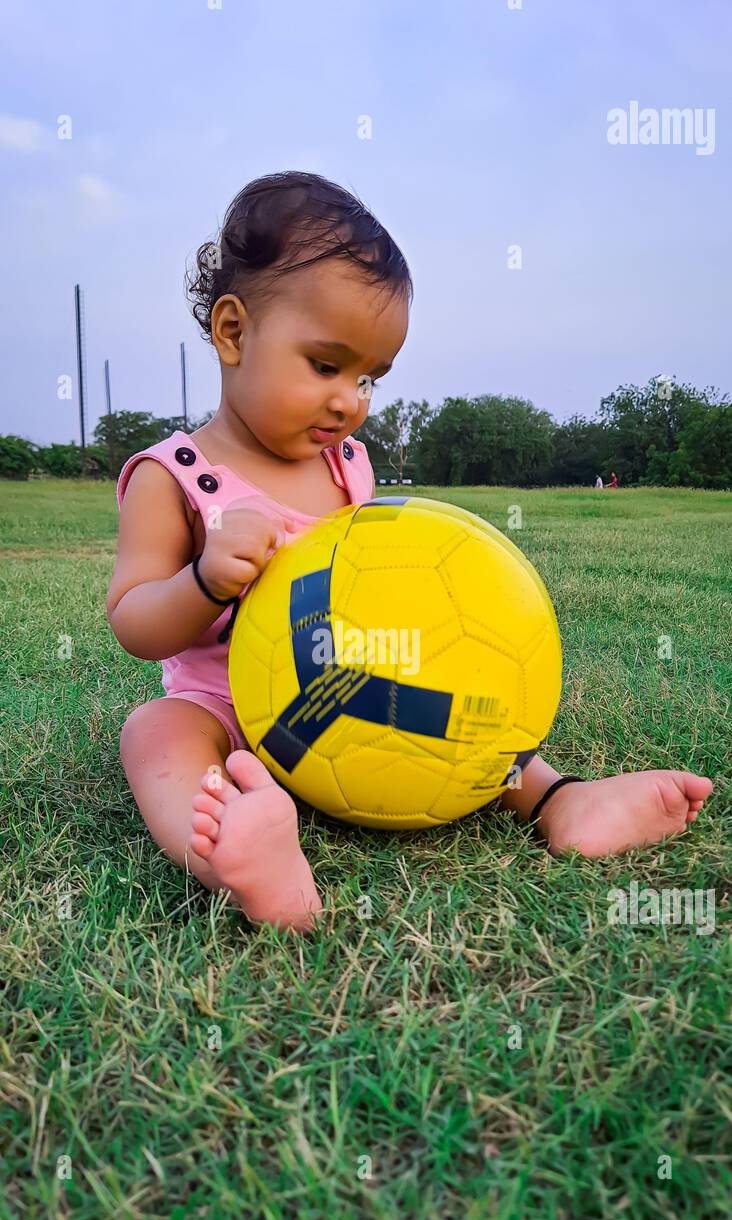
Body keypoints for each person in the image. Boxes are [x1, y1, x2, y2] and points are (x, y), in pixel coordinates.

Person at [106, 171, 714, 933]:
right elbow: (134, 620)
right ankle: (234, 846)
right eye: (326, 365)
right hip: (226, 710)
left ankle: (560, 799)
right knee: (154, 732)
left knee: (466, 716)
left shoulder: (347, 467)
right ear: (233, 333)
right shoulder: (175, 477)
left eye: (368, 378)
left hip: (352, 695)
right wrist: (203, 579)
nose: (349, 399)